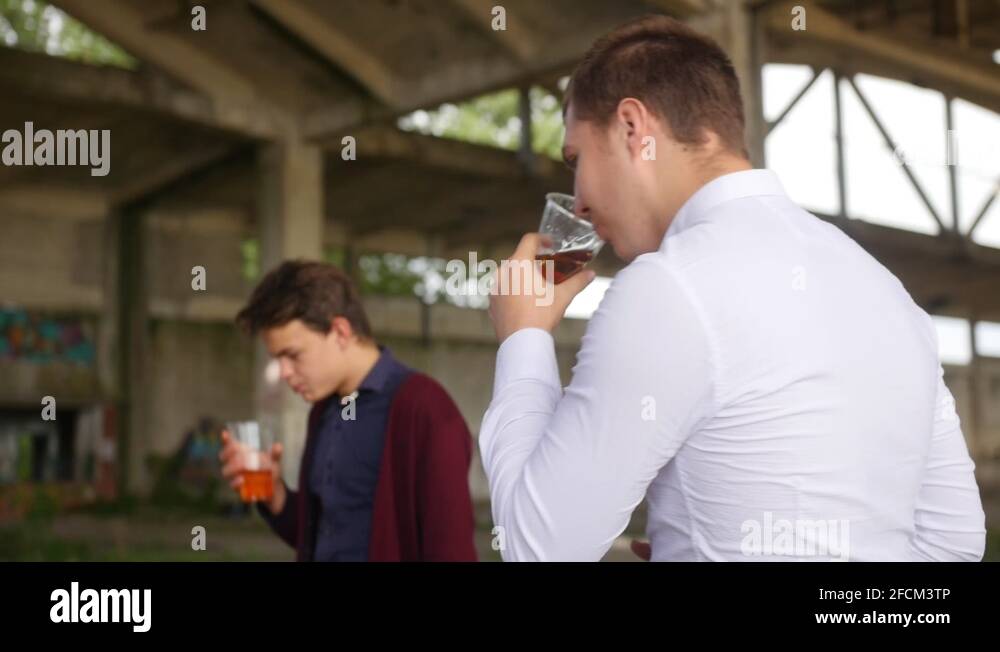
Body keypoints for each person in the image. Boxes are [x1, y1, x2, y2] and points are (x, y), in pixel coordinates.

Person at [480, 15, 985, 561]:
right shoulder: (888, 292)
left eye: (576, 158)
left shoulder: (670, 286)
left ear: (631, 128)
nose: (576, 199)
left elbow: (538, 549)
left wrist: (523, 339)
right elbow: (953, 544)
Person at [220, 260, 477, 561]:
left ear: (341, 332)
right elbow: (323, 537)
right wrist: (274, 494)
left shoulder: (424, 410)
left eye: (293, 355)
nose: (284, 372)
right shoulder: (324, 410)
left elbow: (451, 551)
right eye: (277, 359)